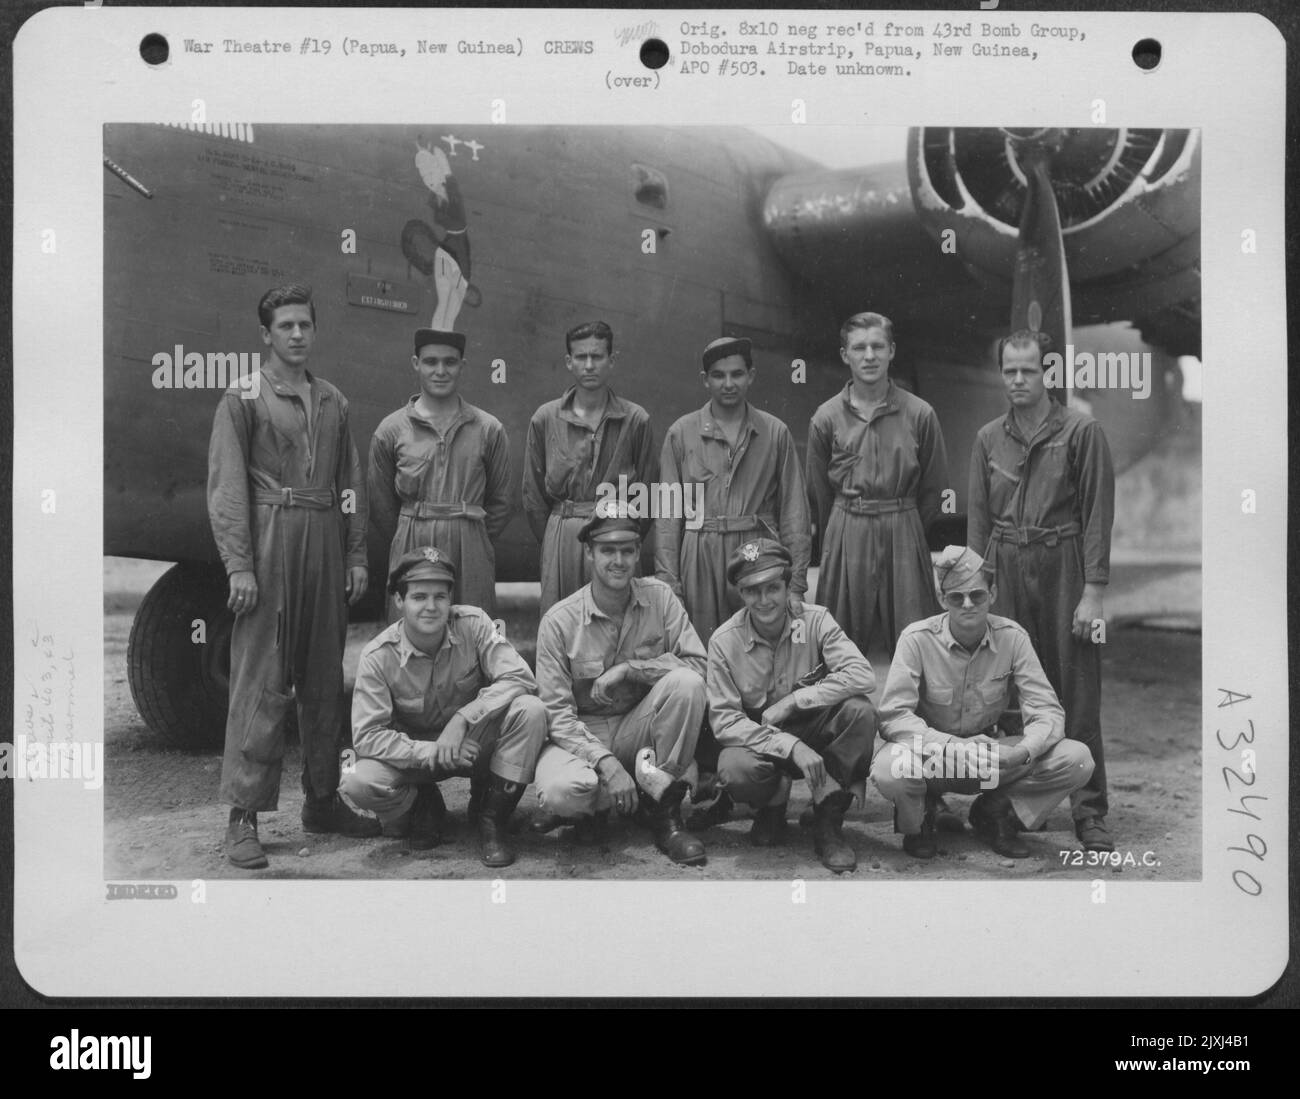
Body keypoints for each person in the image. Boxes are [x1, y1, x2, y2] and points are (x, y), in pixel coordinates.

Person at [208, 283, 378, 870]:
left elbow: (350, 484)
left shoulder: (333, 400)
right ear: (266, 334)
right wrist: (239, 565)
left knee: (323, 677)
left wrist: (356, 554)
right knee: (261, 680)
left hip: (324, 539)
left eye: (305, 324)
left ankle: (323, 799)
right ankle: (243, 816)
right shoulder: (242, 398)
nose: (297, 335)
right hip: (270, 536)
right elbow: (227, 488)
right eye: (286, 326)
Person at [967, 330, 1117, 852]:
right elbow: (979, 520)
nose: (1018, 379)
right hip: (1006, 565)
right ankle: (1007, 807)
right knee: (1007, 693)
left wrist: (1093, 591)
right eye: (1009, 370)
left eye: (1028, 370)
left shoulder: (1081, 430)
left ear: (1048, 372)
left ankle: (1090, 811)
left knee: (1076, 691)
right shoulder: (989, 437)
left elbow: (1099, 515)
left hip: (1064, 566)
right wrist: (975, 586)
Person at [871, 547, 1094, 859]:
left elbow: (1047, 711)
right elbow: (893, 717)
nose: (967, 605)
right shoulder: (916, 639)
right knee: (887, 767)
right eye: (955, 597)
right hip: (936, 758)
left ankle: (997, 813)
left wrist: (1022, 751)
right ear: (941, 598)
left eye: (976, 595)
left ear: (993, 593)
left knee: (1078, 758)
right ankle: (920, 817)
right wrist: (950, 746)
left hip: (991, 759)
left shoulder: (1012, 638)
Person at [341, 547, 547, 867]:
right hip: (416, 756)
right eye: (419, 597)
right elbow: (367, 736)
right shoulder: (378, 656)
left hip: (472, 744)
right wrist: (433, 751)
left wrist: (465, 717)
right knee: (357, 779)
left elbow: (520, 676)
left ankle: (491, 817)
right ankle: (420, 804)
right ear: (399, 601)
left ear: (451, 598)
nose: (431, 607)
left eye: (440, 596)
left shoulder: (474, 623)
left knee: (530, 710)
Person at [532, 504, 709, 866]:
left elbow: (700, 665)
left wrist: (632, 668)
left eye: (628, 550)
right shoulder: (560, 620)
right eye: (608, 550)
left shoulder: (660, 598)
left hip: (638, 729)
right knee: (561, 793)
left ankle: (664, 810)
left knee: (687, 683)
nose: (619, 561)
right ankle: (595, 807)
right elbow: (556, 716)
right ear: (589, 552)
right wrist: (606, 764)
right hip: (584, 734)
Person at [707, 539, 876, 873]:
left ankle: (828, 818)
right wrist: (789, 745)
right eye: (752, 591)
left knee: (860, 712)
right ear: (740, 594)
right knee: (735, 768)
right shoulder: (724, 642)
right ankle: (772, 804)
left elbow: (863, 675)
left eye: (773, 588)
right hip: (763, 739)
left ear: (788, 587)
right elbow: (725, 722)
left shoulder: (815, 621)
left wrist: (795, 700)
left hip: (815, 728)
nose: (765, 600)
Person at [806, 312, 950, 654]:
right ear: (845, 355)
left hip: (903, 527)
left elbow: (935, 488)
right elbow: (818, 492)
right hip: (847, 529)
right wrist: (840, 533)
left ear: (892, 351)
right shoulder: (825, 418)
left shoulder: (920, 414)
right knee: (838, 643)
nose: (869, 356)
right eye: (859, 348)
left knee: (915, 640)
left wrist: (907, 523)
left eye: (877, 346)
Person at [656, 336, 811, 643]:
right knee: (701, 650)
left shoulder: (774, 432)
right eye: (718, 375)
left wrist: (796, 586)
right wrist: (669, 583)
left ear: (751, 375)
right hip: (700, 553)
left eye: (737, 374)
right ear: (705, 380)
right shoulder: (680, 434)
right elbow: (667, 516)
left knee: (761, 647)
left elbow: (795, 513)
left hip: (758, 553)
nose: (728, 383)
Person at [368, 329, 511, 618]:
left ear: (463, 366)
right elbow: (381, 506)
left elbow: (502, 502)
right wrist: (410, 531)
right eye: (431, 362)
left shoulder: (487, 428)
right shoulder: (391, 430)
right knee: (412, 632)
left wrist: (471, 536)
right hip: (413, 542)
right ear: (415, 363)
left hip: (469, 547)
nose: (441, 371)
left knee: (471, 634)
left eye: (450, 362)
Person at [522, 320, 657, 613]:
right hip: (564, 537)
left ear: (611, 361)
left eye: (597, 356)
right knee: (563, 625)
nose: (589, 365)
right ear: (569, 362)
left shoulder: (636, 420)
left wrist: (625, 535)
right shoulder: (545, 418)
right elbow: (533, 498)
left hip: (617, 535)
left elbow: (647, 495)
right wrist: (559, 536)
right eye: (581, 357)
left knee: (622, 625)